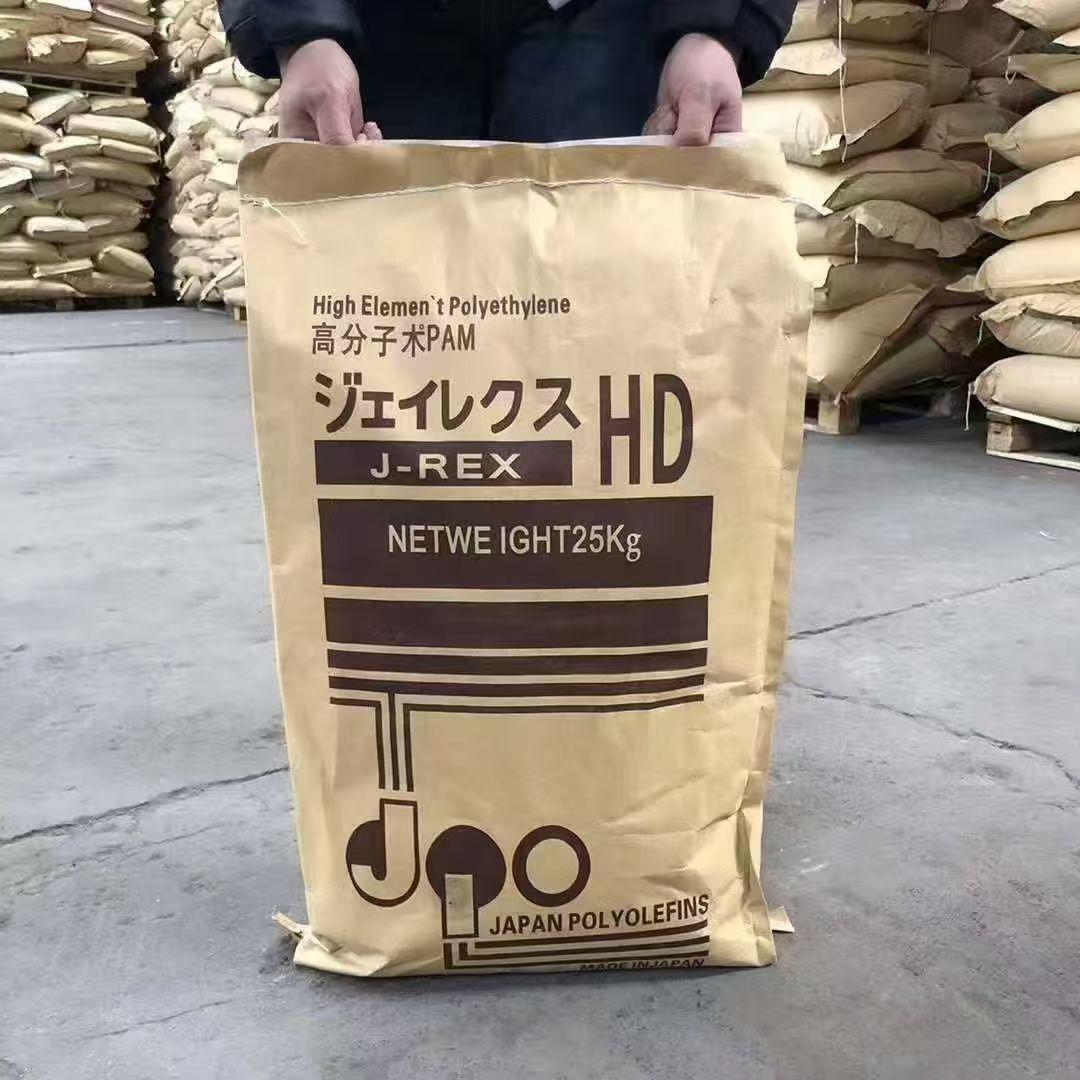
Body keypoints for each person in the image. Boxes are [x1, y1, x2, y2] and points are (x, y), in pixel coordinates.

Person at [220, 0, 795, 146]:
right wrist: (304, 32)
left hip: (609, 21)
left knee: (596, 293)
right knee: (391, 314)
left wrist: (714, 29)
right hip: (385, 29)